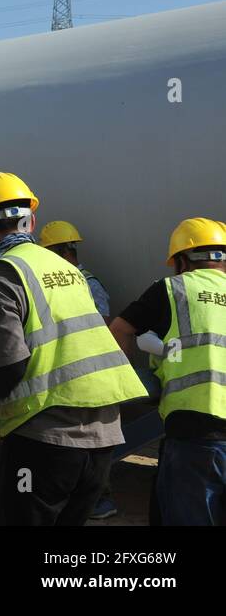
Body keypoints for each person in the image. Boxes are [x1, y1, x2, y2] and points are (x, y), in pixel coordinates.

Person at [0, 172, 147, 526]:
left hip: (45, 437)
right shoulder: (69, 271)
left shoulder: (1, 277)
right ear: (32, 220)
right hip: (103, 435)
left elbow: (9, 367)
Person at [109, 218, 226, 526]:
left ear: (182, 261)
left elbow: (120, 329)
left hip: (194, 431)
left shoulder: (173, 289)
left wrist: (134, 380)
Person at [38, 219, 118, 519]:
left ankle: (99, 499)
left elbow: (102, 327)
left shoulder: (83, 282)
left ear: (57, 252)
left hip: (84, 372)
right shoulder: (81, 281)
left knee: (86, 439)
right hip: (81, 370)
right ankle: (92, 498)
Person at [39, 220, 112, 319]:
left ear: (65, 251)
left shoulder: (89, 283)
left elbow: (104, 321)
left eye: (49, 253)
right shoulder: (57, 281)